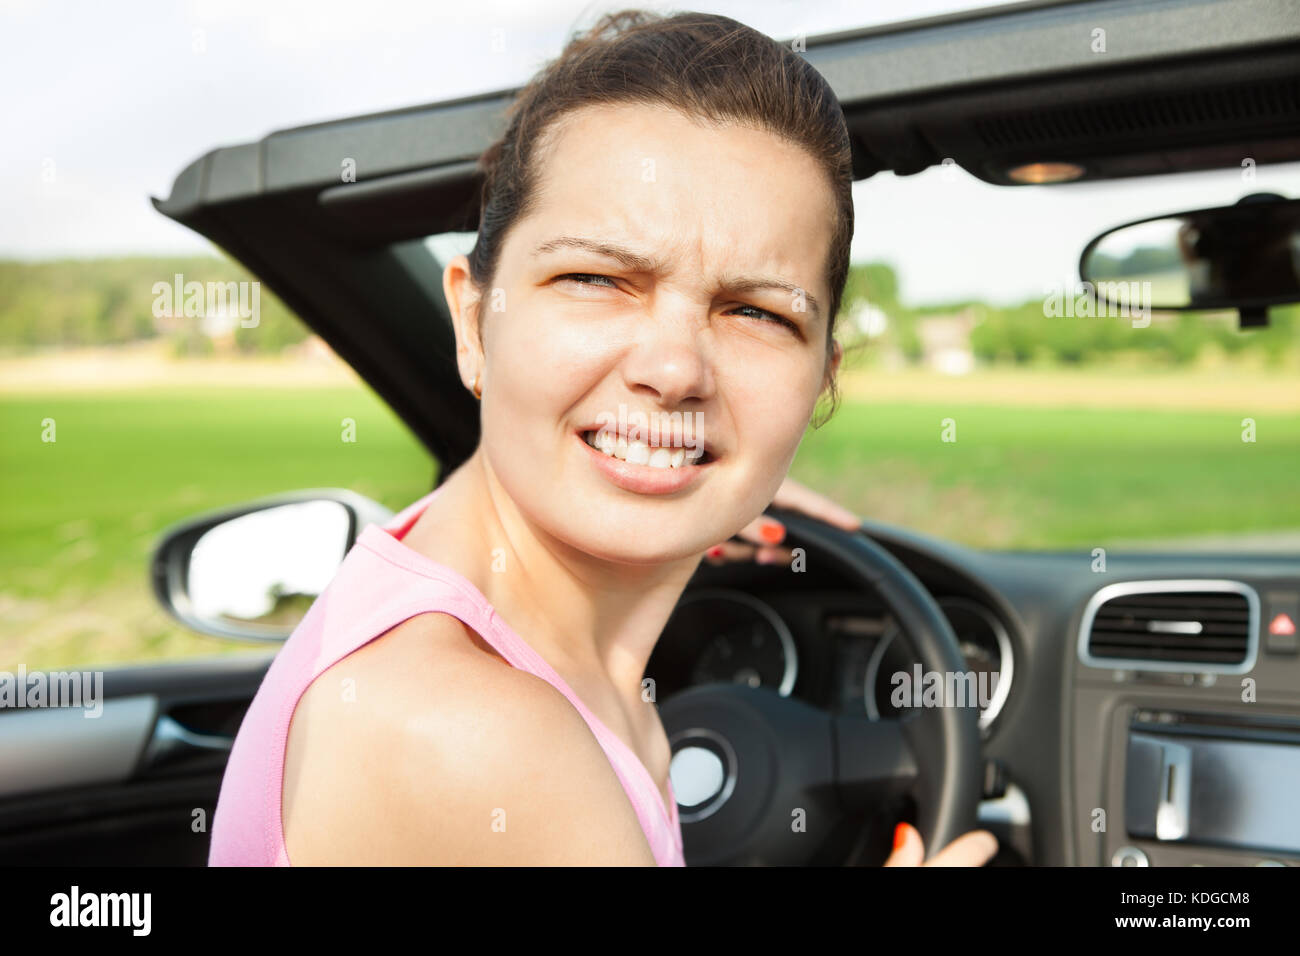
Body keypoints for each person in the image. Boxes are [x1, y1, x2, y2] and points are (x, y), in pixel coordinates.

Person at [208, 8, 998, 867]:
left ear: (821, 382)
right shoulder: (481, 737)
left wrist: (694, 484)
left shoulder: (440, 585)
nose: (674, 371)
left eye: (754, 313)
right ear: (475, 324)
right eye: (594, 279)